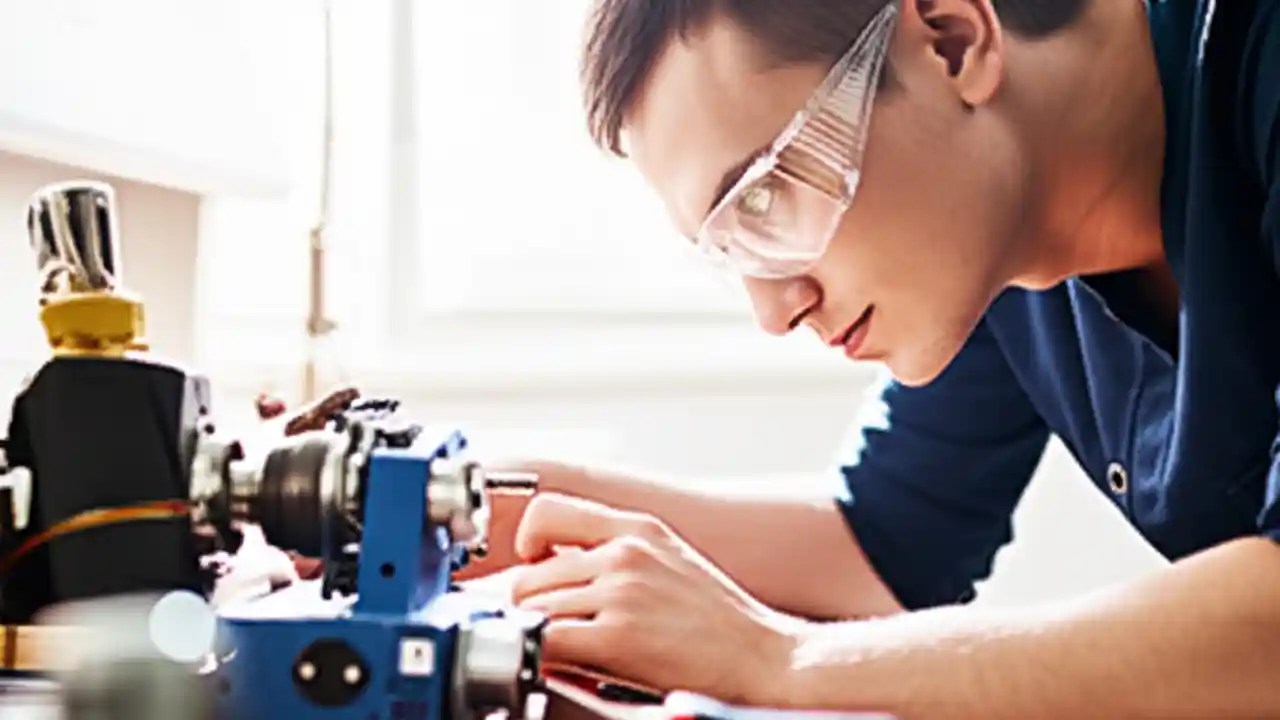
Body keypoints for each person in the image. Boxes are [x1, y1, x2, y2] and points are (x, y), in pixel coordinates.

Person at [457, 1, 1280, 717]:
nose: (775, 311)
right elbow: (886, 546)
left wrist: (778, 665)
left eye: (766, 198)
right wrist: (493, 505)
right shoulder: (1006, 244)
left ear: (953, 40)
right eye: (731, 249)